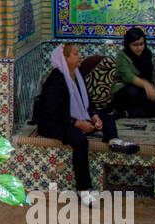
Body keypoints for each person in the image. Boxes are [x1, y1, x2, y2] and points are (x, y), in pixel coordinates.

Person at [35, 44, 139, 205]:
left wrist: (94, 116)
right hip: (54, 123)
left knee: (107, 118)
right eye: (76, 54)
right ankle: (84, 190)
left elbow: (86, 103)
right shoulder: (55, 80)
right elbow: (54, 113)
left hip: (74, 118)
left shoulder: (76, 74)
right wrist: (78, 124)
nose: (79, 56)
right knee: (80, 141)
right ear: (65, 58)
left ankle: (113, 141)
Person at [112, 26, 155, 117]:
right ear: (128, 44)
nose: (139, 48)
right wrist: (146, 85)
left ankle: (126, 113)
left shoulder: (149, 55)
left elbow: (152, 78)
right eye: (135, 45)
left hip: (141, 95)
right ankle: (137, 111)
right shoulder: (122, 55)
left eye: (141, 44)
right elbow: (128, 77)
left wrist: (151, 92)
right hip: (125, 93)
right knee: (133, 91)